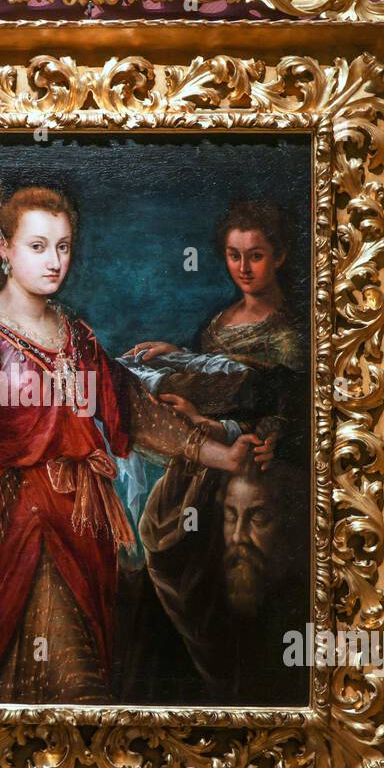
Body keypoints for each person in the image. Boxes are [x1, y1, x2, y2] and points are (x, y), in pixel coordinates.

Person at [0, 183, 275, 705]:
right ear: (3, 247)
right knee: (65, 679)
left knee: (81, 671)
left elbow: (135, 412)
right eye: (37, 246)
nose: (54, 261)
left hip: (85, 525)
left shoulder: (76, 336)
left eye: (62, 247)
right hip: (13, 525)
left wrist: (224, 454)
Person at [118, 200, 308, 699]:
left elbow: (279, 413)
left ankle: (221, 683)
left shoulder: (290, 335)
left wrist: (208, 424)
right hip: (205, 450)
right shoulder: (221, 317)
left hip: (246, 465)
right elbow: (211, 371)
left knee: (192, 562)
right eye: (233, 255)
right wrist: (174, 354)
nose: (243, 268)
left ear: (281, 256)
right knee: (152, 528)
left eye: (257, 255)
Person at [138, 459, 310, 706]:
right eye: (231, 516)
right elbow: (160, 538)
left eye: (258, 517)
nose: (239, 535)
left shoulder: (304, 606)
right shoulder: (202, 598)